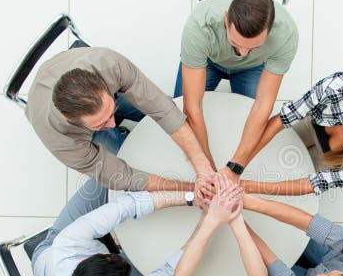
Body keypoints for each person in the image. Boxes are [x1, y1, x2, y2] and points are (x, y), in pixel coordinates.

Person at [26, 46, 213, 191]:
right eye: (102, 123)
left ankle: (106, 114)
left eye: (111, 112)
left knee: (163, 109)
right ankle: (109, 128)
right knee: (123, 151)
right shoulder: (60, 138)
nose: (113, 122)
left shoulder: (109, 65)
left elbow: (164, 110)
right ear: (70, 119)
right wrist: (187, 188)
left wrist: (203, 168)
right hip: (55, 116)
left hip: (67, 66)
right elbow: (122, 176)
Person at [31, 177, 200, 276]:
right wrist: (204, 226)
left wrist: (191, 197)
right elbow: (168, 273)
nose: (115, 254)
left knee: (104, 179)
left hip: (45, 258)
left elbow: (127, 205)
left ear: (85, 259)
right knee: (154, 262)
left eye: (111, 256)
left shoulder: (66, 245)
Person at [175, 0, 298, 184]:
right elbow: (192, 106)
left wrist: (235, 167)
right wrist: (208, 170)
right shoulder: (199, 26)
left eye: (252, 47)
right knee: (178, 118)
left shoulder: (286, 34)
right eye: (235, 43)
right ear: (226, 19)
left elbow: (263, 104)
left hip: (253, 67)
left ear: (270, 31)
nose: (242, 53)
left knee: (249, 124)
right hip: (208, 60)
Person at [240, 71, 343, 196]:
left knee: (279, 179)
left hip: (328, 160)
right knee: (267, 153)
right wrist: (239, 165)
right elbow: (285, 118)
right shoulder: (339, 87)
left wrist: (250, 187)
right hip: (310, 123)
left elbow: (316, 183)